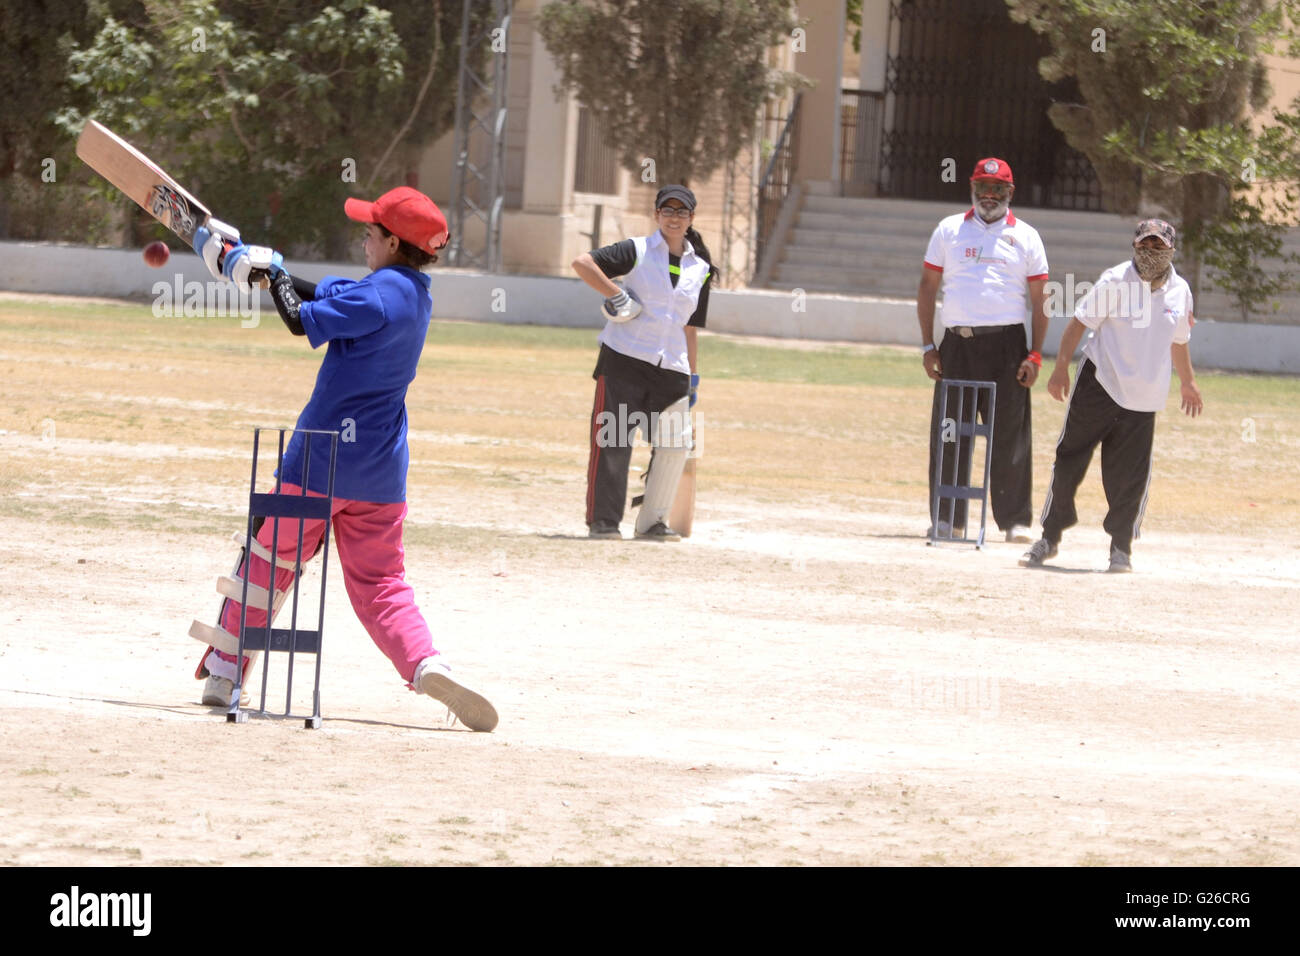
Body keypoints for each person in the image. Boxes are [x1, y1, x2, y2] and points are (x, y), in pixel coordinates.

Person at [189, 186, 498, 731]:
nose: (363, 237)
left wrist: (273, 275)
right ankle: (427, 664)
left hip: (319, 462)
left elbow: (299, 318)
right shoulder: (410, 294)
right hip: (380, 474)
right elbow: (321, 297)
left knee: (267, 563)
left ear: (394, 242)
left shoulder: (376, 294)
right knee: (382, 584)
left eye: (371, 231)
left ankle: (224, 671)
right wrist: (261, 269)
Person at [1021, 218, 1202, 572]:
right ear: (1134, 247)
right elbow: (1078, 325)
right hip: (1100, 383)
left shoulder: (1180, 291)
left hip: (1144, 397)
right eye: (1144, 246)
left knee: (1129, 476)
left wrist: (1188, 382)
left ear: (1171, 251)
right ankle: (1049, 537)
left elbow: (1179, 341)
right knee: (1070, 458)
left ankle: (1121, 548)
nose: (1150, 253)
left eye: (1158, 247)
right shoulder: (1115, 280)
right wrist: (1060, 369)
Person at [571, 184, 715, 541]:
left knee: (674, 445)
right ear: (657, 215)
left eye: (682, 211)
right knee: (615, 440)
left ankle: (652, 522)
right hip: (624, 358)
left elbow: (691, 327)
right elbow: (583, 263)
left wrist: (693, 378)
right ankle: (603, 523)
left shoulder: (702, 269)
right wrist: (617, 294)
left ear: (692, 218)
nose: (674, 217)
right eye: (667, 210)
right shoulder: (636, 249)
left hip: (673, 367)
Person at [918, 157, 1049, 543]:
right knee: (950, 432)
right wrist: (929, 344)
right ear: (972, 189)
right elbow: (928, 287)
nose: (988, 196)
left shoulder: (1026, 236)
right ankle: (947, 518)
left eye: (997, 190)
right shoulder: (948, 231)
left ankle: (1014, 521)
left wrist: (1036, 353)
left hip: (1008, 347)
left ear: (1011, 192)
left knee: (1010, 434)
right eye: (982, 188)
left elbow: (1041, 298)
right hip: (958, 344)